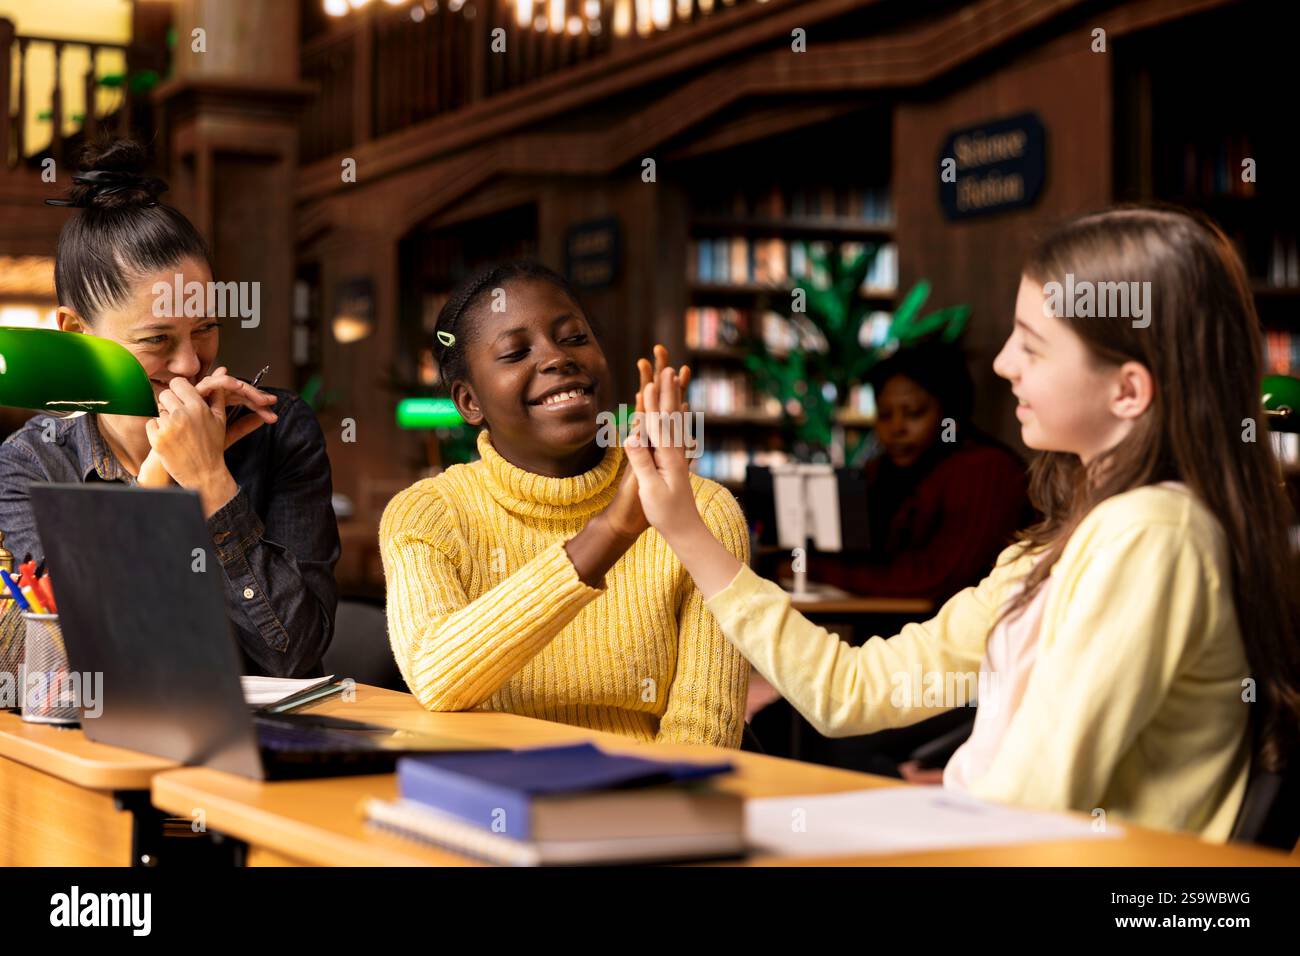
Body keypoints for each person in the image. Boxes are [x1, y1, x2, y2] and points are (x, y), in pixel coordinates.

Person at [624, 206, 1300, 840]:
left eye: (1032, 347)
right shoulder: (1069, 540)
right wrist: (684, 527)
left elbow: (1029, 809)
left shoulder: (1152, 536)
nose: (1004, 364)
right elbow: (849, 691)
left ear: (1127, 389)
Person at [0, 139, 340, 678]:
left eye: (205, 329)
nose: (188, 364)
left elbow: (295, 654)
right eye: (157, 339)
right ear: (75, 333)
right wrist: (161, 476)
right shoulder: (32, 463)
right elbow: (75, 661)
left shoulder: (278, 428)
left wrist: (211, 483)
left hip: (266, 747)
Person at [379, 259, 751, 746]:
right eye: (515, 353)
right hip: (488, 802)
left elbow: (704, 730)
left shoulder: (701, 510)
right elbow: (435, 674)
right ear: (470, 403)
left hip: (645, 803)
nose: (557, 358)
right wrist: (612, 530)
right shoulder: (428, 513)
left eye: (575, 338)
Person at [810, 342, 1031, 603]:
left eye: (914, 413)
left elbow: (939, 582)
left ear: (951, 415)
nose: (896, 427)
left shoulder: (986, 471)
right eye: (884, 414)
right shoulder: (880, 470)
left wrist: (814, 568)